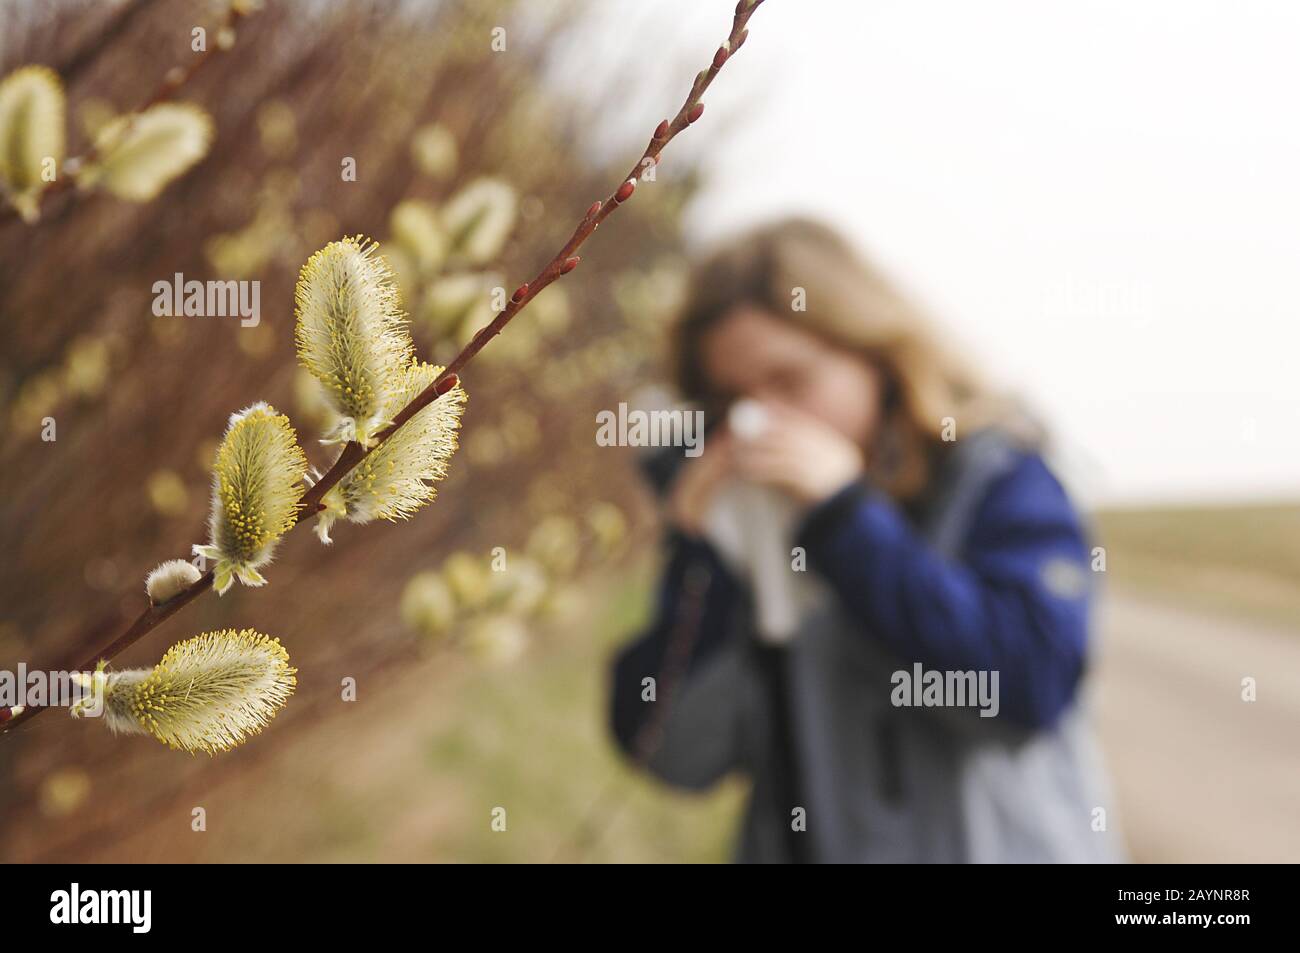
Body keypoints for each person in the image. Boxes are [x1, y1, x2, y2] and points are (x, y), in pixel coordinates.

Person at [608, 218, 1123, 863]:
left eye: (790, 382)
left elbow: (1027, 686)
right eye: (731, 399)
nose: (757, 421)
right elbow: (671, 755)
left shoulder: (995, 477)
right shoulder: (748, 521)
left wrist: (847, 524)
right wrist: (699, 557)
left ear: (877, 357)